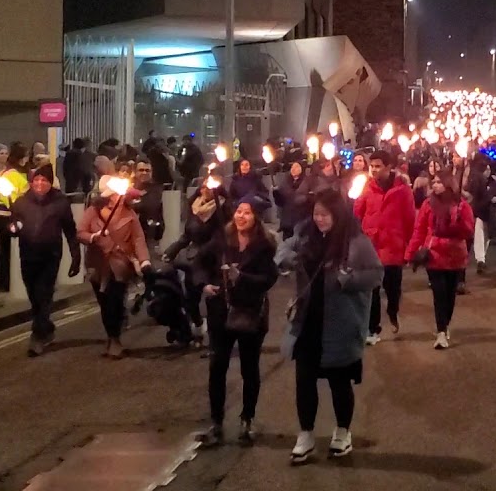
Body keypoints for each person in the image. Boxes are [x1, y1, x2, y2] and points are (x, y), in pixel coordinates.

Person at [276, 189, 383, 464]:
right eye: (316, 213)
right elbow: (283, 249)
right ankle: (306, 434)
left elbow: (375, 274)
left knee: (339, 382)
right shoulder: (306, 235)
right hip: (308, 321)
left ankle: (343, 432)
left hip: (340, 323)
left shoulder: (355, 241)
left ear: (337, 214)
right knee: (304, 381)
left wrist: (348, 279)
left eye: (325, 214)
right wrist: (291, 259)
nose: (319, 219)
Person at [195, 195, 279, 448]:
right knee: (217, 367)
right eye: (239, 211)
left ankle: (247, 420)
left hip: (249, 312)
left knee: (249, 368)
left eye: (247, 212)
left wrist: (240, 276)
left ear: (256, 218)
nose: (241, 216)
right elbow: (199, 262)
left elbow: (268, 279)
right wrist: (204, 284)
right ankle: (216, 422)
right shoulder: (222, 238)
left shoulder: (265, 245)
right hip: (221, 312)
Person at [9, 164, 81, 357]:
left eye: (44, 180)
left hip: (50, 255)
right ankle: (46, 327)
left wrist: (76, 256)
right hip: (28, 254)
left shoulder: (60, 202)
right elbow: (14, 226)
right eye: (37, 180)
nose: (40, 184)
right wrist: (13, 228)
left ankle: (38, 336)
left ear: (50, 183)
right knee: (33, 295)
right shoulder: (21, 202)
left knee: (44, 293)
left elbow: (70, 230)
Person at [78, 176, 151, 359]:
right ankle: (111, 336)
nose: (117, 196)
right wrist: (93, 237)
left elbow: (138, 239)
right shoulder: (93, 211)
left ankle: (115, 338)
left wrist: (144, 260)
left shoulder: (129, 214)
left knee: (116, 303)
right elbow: (80, 232)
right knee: (104, 304)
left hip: (120, 265)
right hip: (97, 265)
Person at [354, 150, 416, 344]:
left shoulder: (402, 190)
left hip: (393, 247)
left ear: (389, 167)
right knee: (372, 289)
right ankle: (373, 328)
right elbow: (358, 213)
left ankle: (392, 311)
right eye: (372, 166)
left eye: (378, 166)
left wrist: (409, 248)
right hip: (371, 247)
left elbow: (410, 220)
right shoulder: (367, 187)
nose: (374, 170)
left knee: (392, 288)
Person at [407, 172, 473, 349]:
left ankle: (445, 324)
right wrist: (411, 252)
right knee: (439, 293)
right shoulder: (428, 204)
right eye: (434, 182)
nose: (435, 185)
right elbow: (419, 230)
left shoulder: (462, 205)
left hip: (455, 255)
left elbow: (468, 232)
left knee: (450, 294)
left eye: (439, 182)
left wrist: (459, 222)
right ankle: (441, 331)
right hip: (434, 254)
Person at [163, 174, 227, 343]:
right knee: (191, 297)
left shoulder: (223, 208)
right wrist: (173, 249)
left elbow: (220, 237)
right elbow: (187, 235)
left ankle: (216, 342)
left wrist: (203, 252)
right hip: (196, 260)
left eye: (209, 187)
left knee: (214, 301)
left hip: (214, 259)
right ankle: (197, 325)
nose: (205, 190)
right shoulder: (195, 206)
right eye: (203, 187)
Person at [0, 143, 32, 293]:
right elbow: (21, 197)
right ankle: (12, 282)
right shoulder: (15, 176)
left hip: (1, 216)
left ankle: (3, 283)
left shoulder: (3, 173)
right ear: (21, 158)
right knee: (13, 251)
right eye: (26, 156)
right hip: (12, 217)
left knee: (5, 251)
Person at [129, 160, 165, 253]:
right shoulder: (127, 187)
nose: (144, 173)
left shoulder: (157, 189)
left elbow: (151, 206)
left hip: (149, 235)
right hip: (129, 234)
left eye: (147, 170)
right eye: (141, 170)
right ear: (135, 172)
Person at [275, 161, 313, 241]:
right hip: (287, 221)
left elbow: (310, 198)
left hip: (301, 219)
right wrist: (276, 194)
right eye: (292, 167)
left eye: (296, 167)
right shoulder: (285, 182)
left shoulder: (307, 182)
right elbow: (280, 203)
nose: (293, 169)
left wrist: (305, 198)